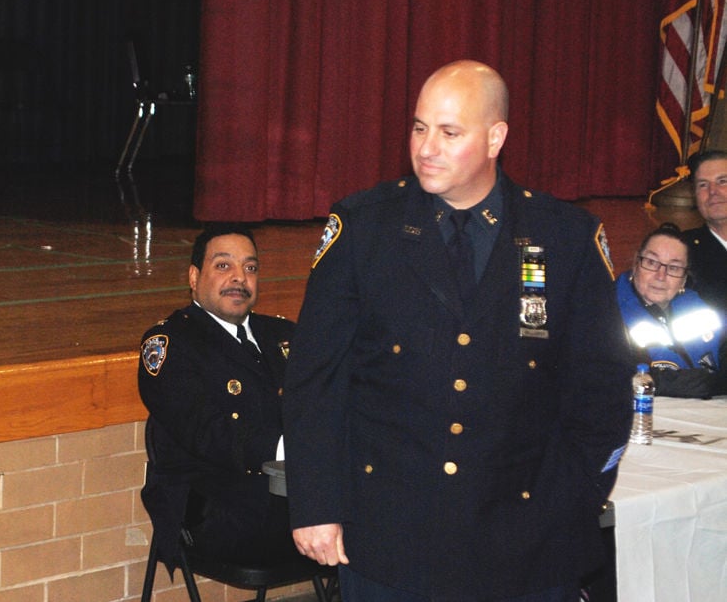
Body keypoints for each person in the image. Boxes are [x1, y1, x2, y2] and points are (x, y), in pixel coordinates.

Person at [283, 60, 633, 601]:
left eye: (449, 132)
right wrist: (316, 504)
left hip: (525, 541)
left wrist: (571, 499)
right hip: (390, 537)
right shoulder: (365, 228)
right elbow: (315, 379)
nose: (426, 148)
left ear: (495, 138)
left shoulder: (565, 237)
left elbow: (602, 391)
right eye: (419, 127)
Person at [138, 223, 299, 571]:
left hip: (286, 492)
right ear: (194, 277)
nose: (239, 277)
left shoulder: (283, 335)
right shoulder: (172, 344)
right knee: (361, 516)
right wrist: (297, 450)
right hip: (213, 508)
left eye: (250, 268)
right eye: (223, 265)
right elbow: (209, 433)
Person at [618, 222, 726, 398]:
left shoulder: (697, 306)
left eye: (674, 268)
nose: (661, 276)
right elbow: (622, 375)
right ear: (636, 263)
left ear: (684, 278)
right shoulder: (607, 309)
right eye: (652, 262)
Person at [683, 149, 727, 315]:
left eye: (722, 181)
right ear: (694, 195)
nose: (713, 191)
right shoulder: (681, 251)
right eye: (703, 185)